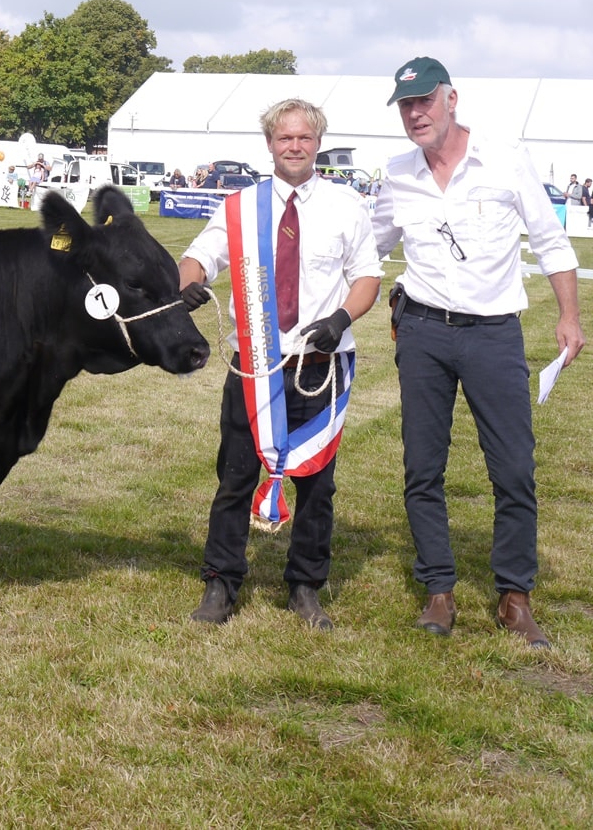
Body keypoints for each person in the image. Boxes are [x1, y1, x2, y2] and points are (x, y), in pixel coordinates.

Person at [372, 56, 586, 648]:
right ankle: (438, 590)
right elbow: (370, 244)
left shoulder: (505, 158)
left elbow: (550, 240)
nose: (415, 114)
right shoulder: (398, 173)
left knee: (514, 469)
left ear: (451, 98)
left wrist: (569, 316)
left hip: (494, 334)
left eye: (424, 101)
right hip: (421, 333)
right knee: (423, 467)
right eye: (405, 105)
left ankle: (514, 596)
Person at [179, 98, 382, 630]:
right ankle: (221, 583)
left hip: (320, 367)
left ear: (318, 144)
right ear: (269, 144)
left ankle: (305, 586)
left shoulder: (346, 206)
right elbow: (197, 257)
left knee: (317, 483)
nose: (294, 147)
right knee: (235, 477)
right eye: (284, 138)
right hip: (254, 369)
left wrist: (340, 318)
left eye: (304, 138)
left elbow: (367, 278)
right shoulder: (240, 207)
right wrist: (190, 282)